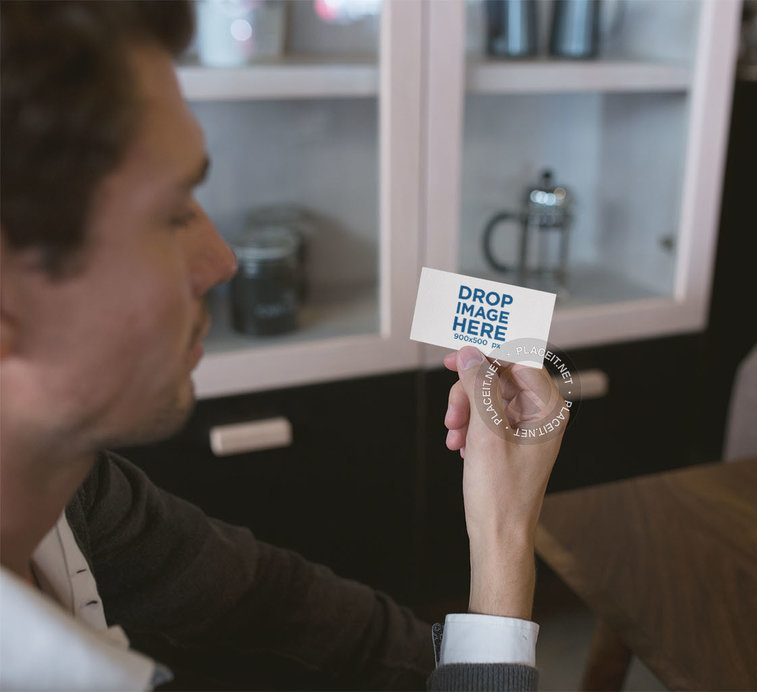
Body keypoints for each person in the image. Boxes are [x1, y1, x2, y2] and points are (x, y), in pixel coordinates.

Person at [0, 2, 568, 690]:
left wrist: (463, 659)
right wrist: (506, 541)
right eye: (172, 212)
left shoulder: (71, 485)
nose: (221, 261)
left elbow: (277, 604)